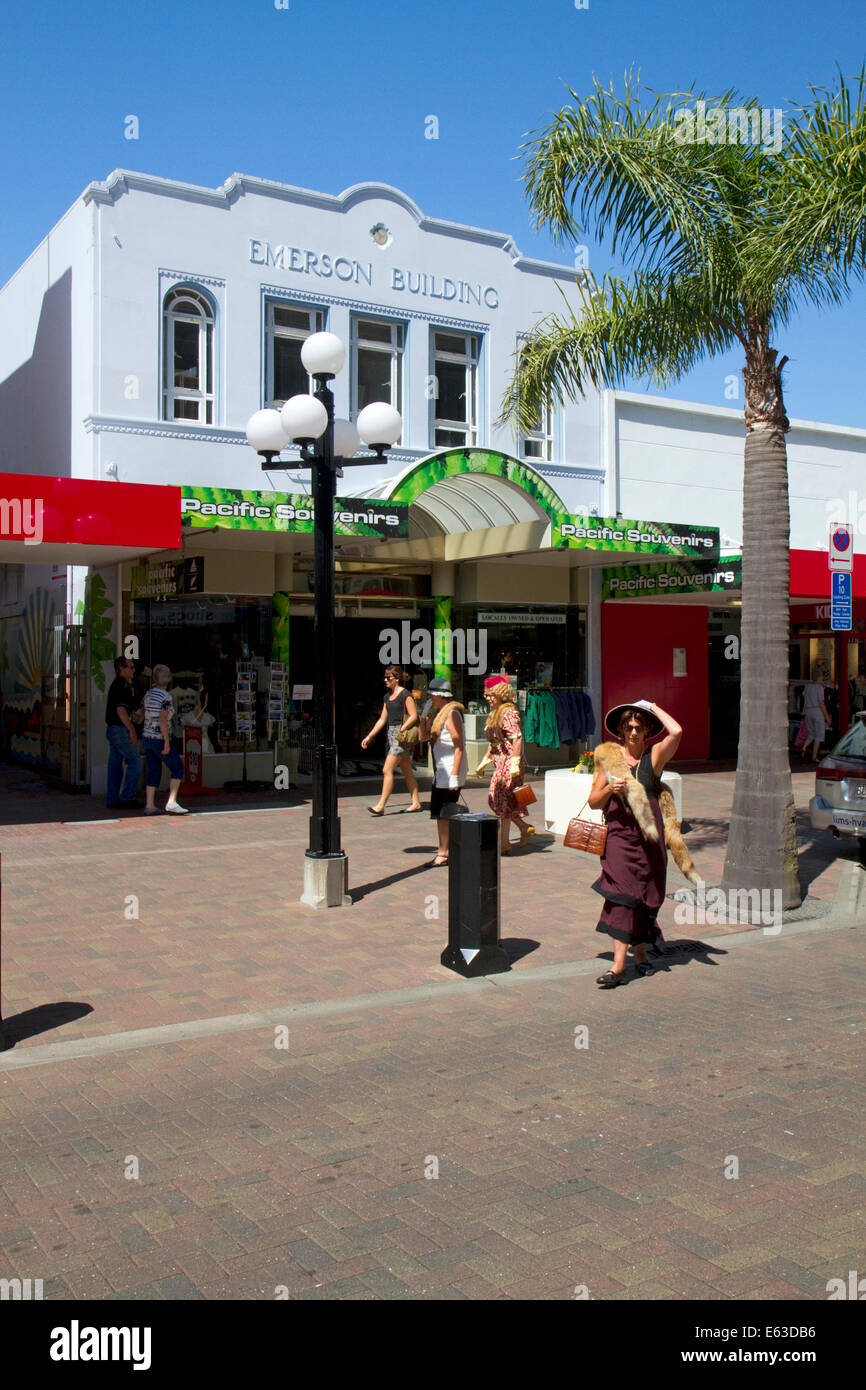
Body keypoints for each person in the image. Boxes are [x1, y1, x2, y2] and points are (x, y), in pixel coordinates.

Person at [588, 700, 682, 988]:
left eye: (639, 727)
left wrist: (653, 705)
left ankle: (640, 955)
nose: (633, 732)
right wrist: (608, 789)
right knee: (621, 898)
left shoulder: (654, 758)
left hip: (649, 843)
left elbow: (677, 732)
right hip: (619, 840)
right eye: (627, 727)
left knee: (643, 898)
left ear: (647, 730)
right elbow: (592, 802)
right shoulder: (610, 761)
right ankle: (618, 967)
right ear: (620, 730)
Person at [478, 676, 534, 853]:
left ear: (500, 694)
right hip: (499, 763)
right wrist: (485, 760)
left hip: (508, 763)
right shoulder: (495, 713)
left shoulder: (508, 713)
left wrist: (515, 764)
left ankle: (504, 843)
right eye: (486, 695)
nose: (487, 698)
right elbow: (494, 742)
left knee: (501, 801)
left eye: (491, 695)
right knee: (500, 801)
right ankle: (524, 828)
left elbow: (516, 739)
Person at [361, 665, 421, 815]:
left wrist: (401, 728)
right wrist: (369, 736)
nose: (385, 680)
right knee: (407, 770)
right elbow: (382, 719)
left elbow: (414, 716)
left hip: (400, 736)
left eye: (389, 678)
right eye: (385, 677)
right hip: (391, 734)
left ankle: (381, 806)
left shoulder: (405, 695)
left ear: (397, 678)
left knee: (387, 769)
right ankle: (416, 803)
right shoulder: (387, 697)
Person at [420, 677, 465, 865]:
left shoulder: (452, 713)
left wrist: (454, 776)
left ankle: (444, 853)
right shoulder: (439, 714)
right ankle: (445, 851)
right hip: (441, 772)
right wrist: (423, 716)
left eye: (431, 692)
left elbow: (459, 746)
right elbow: (423, 738)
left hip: (449, 771)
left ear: (440, 695)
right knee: (440, 813)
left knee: (444, 813)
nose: (428, 695)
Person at [142, 664, 188, 815]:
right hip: (159, 738)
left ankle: (149, 804)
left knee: (154, 770)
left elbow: (141, 714)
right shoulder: (166, 697)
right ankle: (172, 801)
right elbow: (162, 720)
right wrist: (167, 741)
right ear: (168, 679)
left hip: (147, 737)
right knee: (177, 767)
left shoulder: (148, 694)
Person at [105, 656, 141, 808]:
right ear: (122, 668)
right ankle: (128, 797)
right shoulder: (121, 684)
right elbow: (121, 710)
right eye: (131, 667)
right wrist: (132, 730)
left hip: (114, 728)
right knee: (134, 761)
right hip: (119, 729)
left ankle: (113, 798)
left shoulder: (121, 684)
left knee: (115, 763)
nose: (134, 670)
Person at [802, 668, 831, 762]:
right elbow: (821, 703)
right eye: (822, 676)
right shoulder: (820, 688)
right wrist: (827, 717)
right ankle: (814, 756)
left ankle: (804, 747)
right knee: (819, 735)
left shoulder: (807, 687)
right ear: (819, 677)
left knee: (811, 733)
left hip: (807, 712)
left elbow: (803, 696)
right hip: (817, 712)